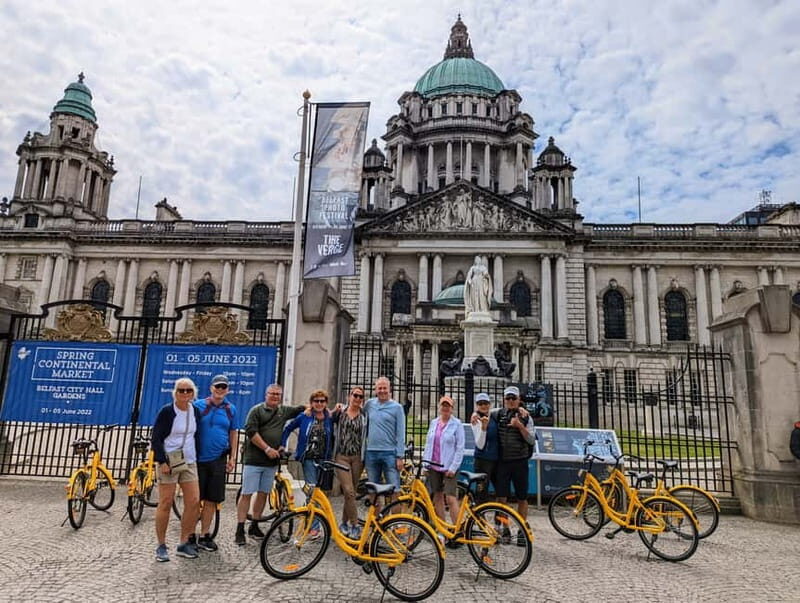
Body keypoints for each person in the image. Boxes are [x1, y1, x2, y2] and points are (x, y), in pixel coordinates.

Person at [235, 383, 305, 546]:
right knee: (247, 493)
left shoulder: (283, 411)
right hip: (254, 459)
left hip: (271, 462)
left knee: (263, 494)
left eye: (277, 394)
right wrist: (267, 448)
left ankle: (255, 525)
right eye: (272, 394)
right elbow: (251, 432)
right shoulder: (256, 411)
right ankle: (239, 529)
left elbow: (300, 409)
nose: (274, 397)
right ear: (266, 394)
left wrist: (320, 406)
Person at [151, 377, 202, 562]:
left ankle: (184, 542)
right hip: (170, 460)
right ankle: (161, 545)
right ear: (175, 392)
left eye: (188, 390)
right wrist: (162, 461)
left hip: (189, 460)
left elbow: (196, 435)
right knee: (165, 501)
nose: (185, 394)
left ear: (193, 393)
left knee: (194, 501)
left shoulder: (195, 411)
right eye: (181, 390)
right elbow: (156, 437)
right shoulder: (167, 411)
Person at [193, 374, 238, 552]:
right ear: (211, 388)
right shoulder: (198, 406)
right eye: (217, 387)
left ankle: (204, 535)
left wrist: (233, 457)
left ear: (227, 390)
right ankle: (189, 535)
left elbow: (233, 432)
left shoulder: (230, 409)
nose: (220, 390)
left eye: (223, 387)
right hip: (197, 459)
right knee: (194, 500)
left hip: (219, 459)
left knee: (212, 499)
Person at [281, 389, 335, 537]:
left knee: (320, 492)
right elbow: (288, 428)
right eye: (316, 401)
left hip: (324, 459)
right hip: (309, 459)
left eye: (322, 401)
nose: (319, 404)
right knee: (311, 491)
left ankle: (315, 520)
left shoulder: (328, 417)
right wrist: (282, 444)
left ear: (326, 403)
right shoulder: (305, 416)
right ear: (311, 403)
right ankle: (313, 526)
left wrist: (336, 409)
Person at [492, 385, 535, 546]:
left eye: (513, 398)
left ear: (519, 400)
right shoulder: (497, 414)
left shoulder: (526, 417)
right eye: (508, 398)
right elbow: (482, 411)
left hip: (520, 461)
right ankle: (505, 528)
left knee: (522, 498)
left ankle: (522, 529)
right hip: (503, 462)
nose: (510, 401)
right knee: (501, 498)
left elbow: (531, 439)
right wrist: (475, 414)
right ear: (504, 400)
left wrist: (519, 426)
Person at [422, 395, 465, 546]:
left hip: (448, 467)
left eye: (448, 406)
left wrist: (453, 467)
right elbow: (428, 444)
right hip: (434, 465)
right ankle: (442, 530)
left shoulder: (457, 424)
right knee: (437, 498)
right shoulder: (434, 422)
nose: (445, 408)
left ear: (452, 408)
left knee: (451, 498)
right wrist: (425, 465)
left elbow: (460, 448)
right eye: (443, 405)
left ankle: (458, 530)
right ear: (440, 407)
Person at [331, 386, 368, 538]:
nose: (357, 399)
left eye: (360, 397)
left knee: (350, 493)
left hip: (357, 458)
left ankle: (343, 523)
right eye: (355, 395)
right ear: (349, 396)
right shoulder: (341, 413)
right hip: (342, 456)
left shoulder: (365, 415)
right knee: (349, 490)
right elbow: (327, 417)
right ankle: (355, 524)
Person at [363, 376, 406, 503]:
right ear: (375, 390)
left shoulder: (397, 407)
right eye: (379, 388)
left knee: (394, 489)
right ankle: (377, 521)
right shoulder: (369, 404)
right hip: (371, 452)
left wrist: (400, 456)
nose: (382, 391)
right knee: (372, 490)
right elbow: (355, 412)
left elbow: (400, 433)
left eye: (384, 388)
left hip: (390, 453)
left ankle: (396, 521)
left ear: (389, 389)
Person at [471, 392, 499, 504]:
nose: (483, 406)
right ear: (477, 405)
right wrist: (483, 428)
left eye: (486, 403)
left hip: (495, 459)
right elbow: (480, 444)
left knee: (501, 490)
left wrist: (521, 408)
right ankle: (479, 519)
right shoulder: (476, 420)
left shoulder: (493, 416)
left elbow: (503, 409)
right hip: (482, 460)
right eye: (480, 403)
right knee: (482, 492)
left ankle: (500, 518)